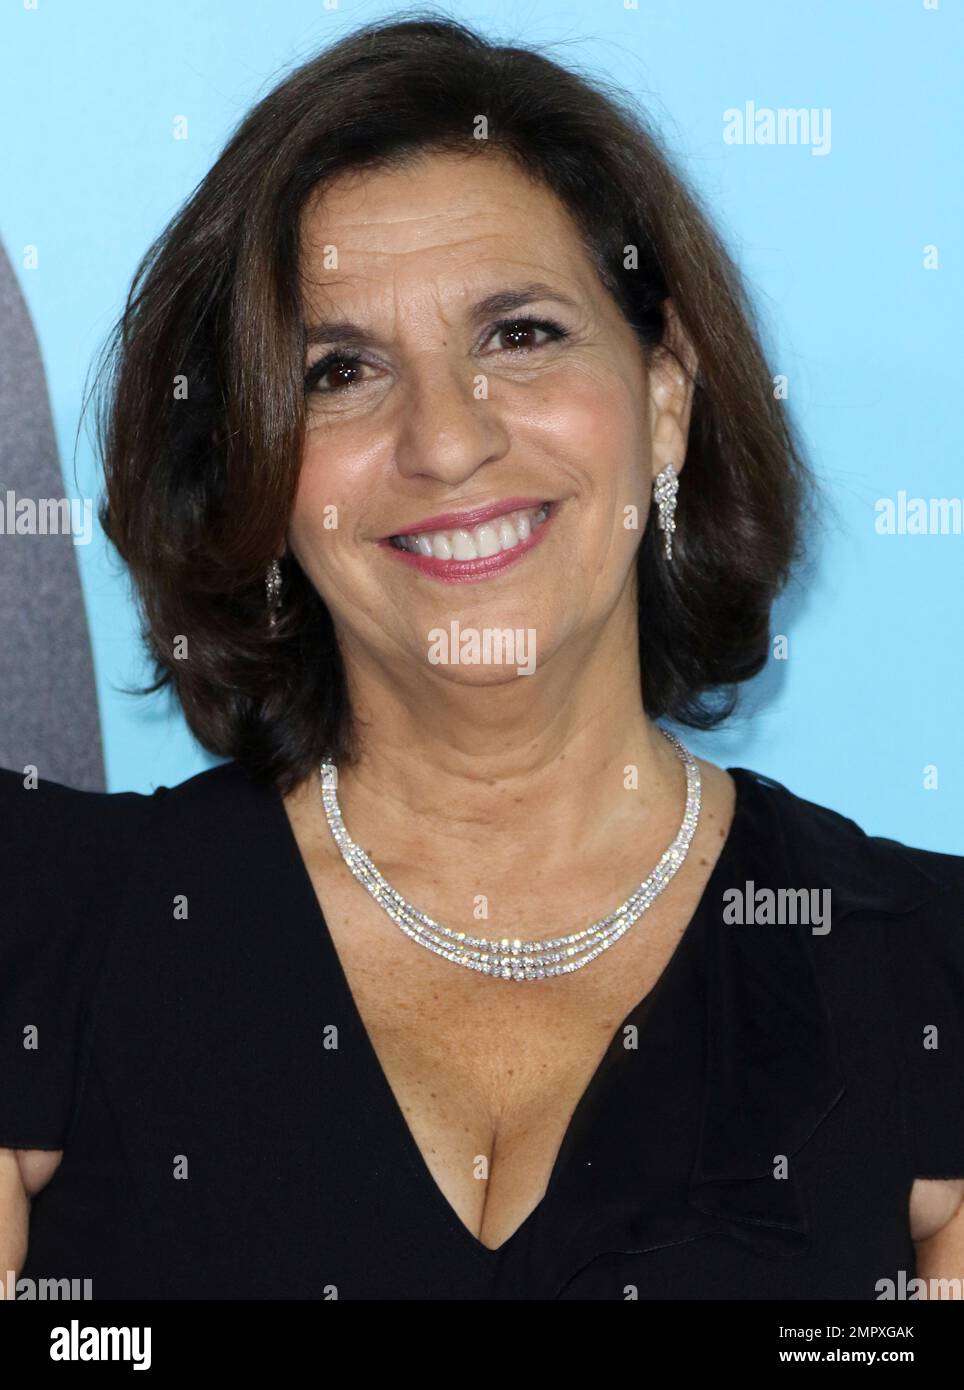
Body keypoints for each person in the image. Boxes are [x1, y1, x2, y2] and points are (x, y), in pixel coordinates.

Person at [2, 15, 963, 1301]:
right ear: (256, 470)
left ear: (664, 398)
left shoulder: (918, 966)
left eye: (520, 334)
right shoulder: (47, 926)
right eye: (338, 369)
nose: (445, 441)